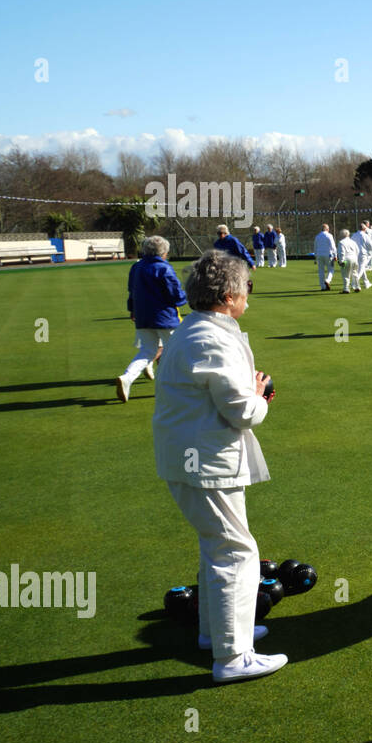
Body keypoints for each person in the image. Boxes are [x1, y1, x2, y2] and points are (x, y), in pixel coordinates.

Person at [152, 248, 286, 683]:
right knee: (235, 552)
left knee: (218, 547)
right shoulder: (210, 337)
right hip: (206, 462)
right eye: (246, 288)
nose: (249, 295)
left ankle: (219, 634)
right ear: (229, 294)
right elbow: (240, 411)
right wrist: (260, 394)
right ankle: (232, 656)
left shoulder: (193, 331)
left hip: (196, 458)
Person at [116, 235, 186, 403]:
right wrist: (187, 297)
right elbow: (176, 296)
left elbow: (131, 291)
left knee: (147, 351)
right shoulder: (164, 268)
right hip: (165, 318)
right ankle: (175, 386)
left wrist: (132, 310)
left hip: (142, 317)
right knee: (177, 351)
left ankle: (127, 378)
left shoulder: (136, 267)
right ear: (163, 252)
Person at [314, 224, 337, 289]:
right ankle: (327, 280)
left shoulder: (317, 236)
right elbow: (333, 246)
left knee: (321, 271)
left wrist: (315, 257)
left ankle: (323, 287)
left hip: (319, 255)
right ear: (327, 229)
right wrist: (335, 255)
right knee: (331, 270)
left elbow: (315, 247)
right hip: (328, 255)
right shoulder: (329, 236)